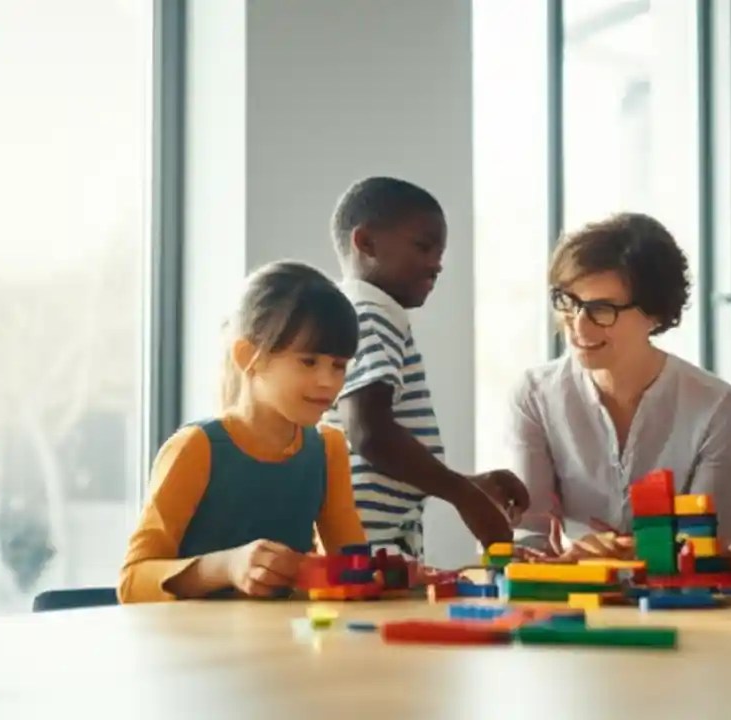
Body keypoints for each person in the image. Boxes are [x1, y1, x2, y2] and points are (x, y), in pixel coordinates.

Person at [119, 261, 366, 602]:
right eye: (308, 361)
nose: (328, 382)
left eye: (338, 366)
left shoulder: (329, 447)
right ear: (249, 356)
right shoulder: (196, 448)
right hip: (196, 649)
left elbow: (353, 568)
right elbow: (132, 583)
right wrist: (226, 567)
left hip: (286, 645)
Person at [506, 213, 731, 558]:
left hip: (679, 604)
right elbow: (529, 533)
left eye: (602, 309)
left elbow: (712, 545)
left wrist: (629, 557)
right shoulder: (534, 394)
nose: (579, 327)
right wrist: (573, 556)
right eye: (569, 302)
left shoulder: (715, 405)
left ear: (655, 315)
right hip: (566, 593)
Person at [323, 177, 529, 558]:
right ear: (366, 243)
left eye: (440, 254)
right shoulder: (370, 314)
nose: (436, 265)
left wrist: (470, 483)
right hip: (364, 542)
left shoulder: (361, 312)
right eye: (423, 246)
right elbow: (368, 431)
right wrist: (463, 495)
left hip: (374, 536)